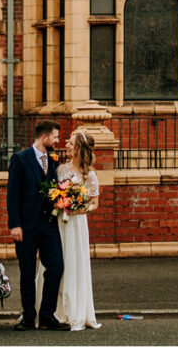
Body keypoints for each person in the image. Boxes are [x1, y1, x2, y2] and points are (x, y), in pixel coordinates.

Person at [6, 119, 68, 331]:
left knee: (57, 266)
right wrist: (15, 224)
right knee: (28, 272)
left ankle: (47, 316)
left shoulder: (52, 159)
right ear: (44, 138)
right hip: (26, 226)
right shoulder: (20, 159)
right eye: (55, 137)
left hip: (48, 224)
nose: (57, 140)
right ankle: (28, 317)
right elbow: (12, 194)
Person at [52, 130, 101, 330]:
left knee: (74, 263)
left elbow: (95, 203)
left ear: (79, 147)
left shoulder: (88, 174)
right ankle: (55, 310)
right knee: (57, 263)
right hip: (59, 222)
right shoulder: (60, 169)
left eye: (71, 143)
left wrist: (77, 208)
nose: (66, 145)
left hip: (77, 224)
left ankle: (74, 311)